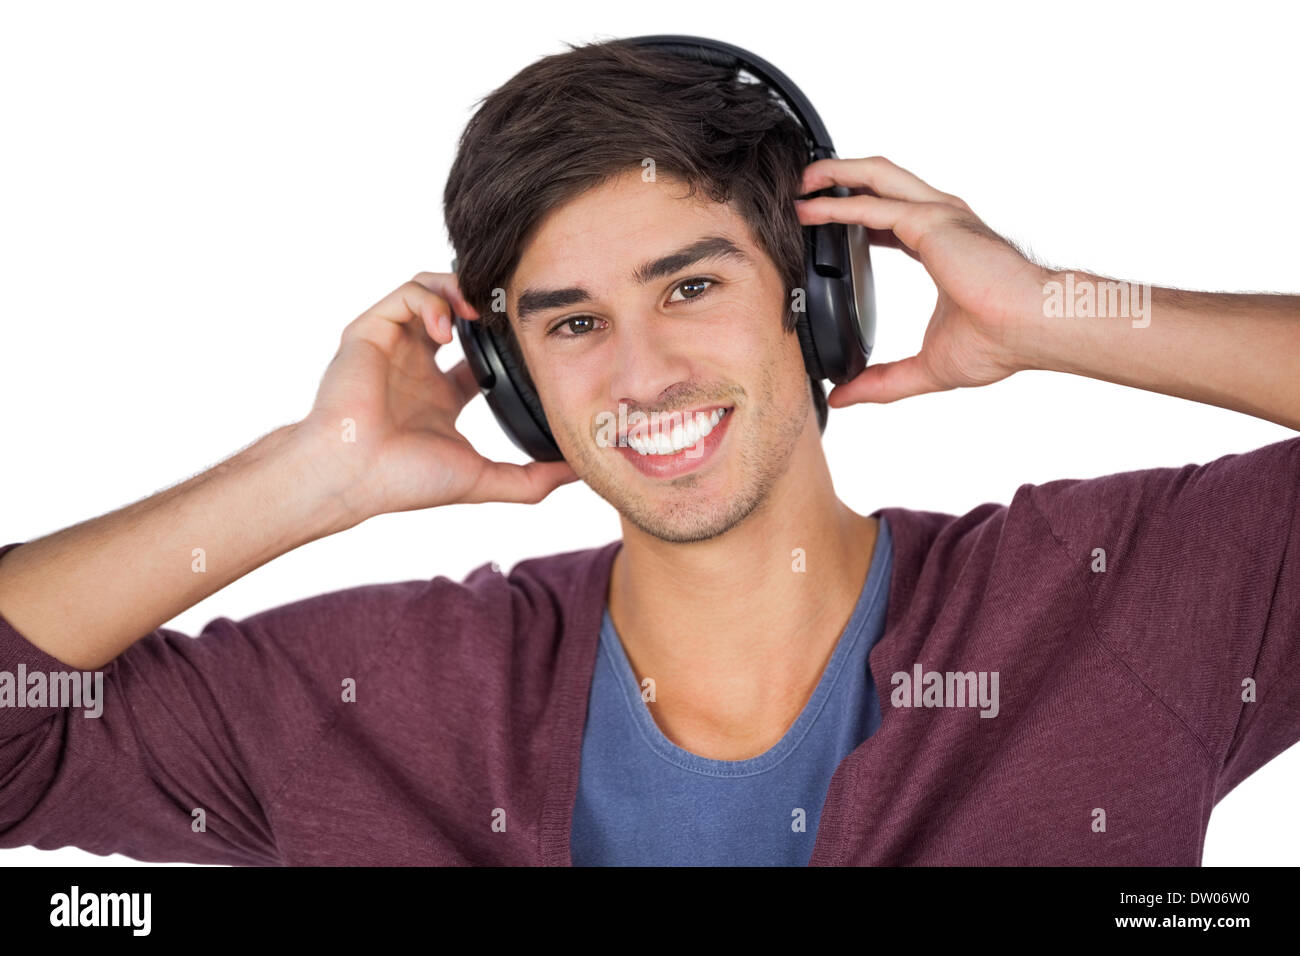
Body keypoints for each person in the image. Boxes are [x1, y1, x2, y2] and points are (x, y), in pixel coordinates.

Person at [0, 38, 1296, 867]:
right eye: (572, 323)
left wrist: (1053, 311)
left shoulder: (1117, 602)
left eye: (689, 288)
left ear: (822, 301)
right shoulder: (374, 695)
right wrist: (314, 469)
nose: (640, 374)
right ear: (511, 379)